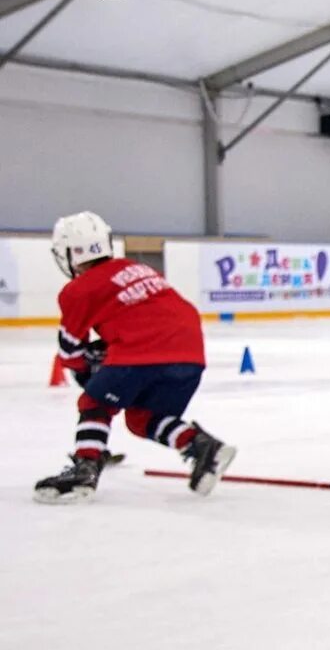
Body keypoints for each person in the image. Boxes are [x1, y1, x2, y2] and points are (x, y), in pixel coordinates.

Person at [34, 211, 236, 504]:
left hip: (144, 349)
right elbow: (146, 312)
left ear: (70, 253)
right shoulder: (135, 268)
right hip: (190, 350)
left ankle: (85, 466)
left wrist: (88, 370)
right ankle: (202, 445)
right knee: (143, 418)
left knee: (94, 403)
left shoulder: (77, 290)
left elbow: (70, 353)